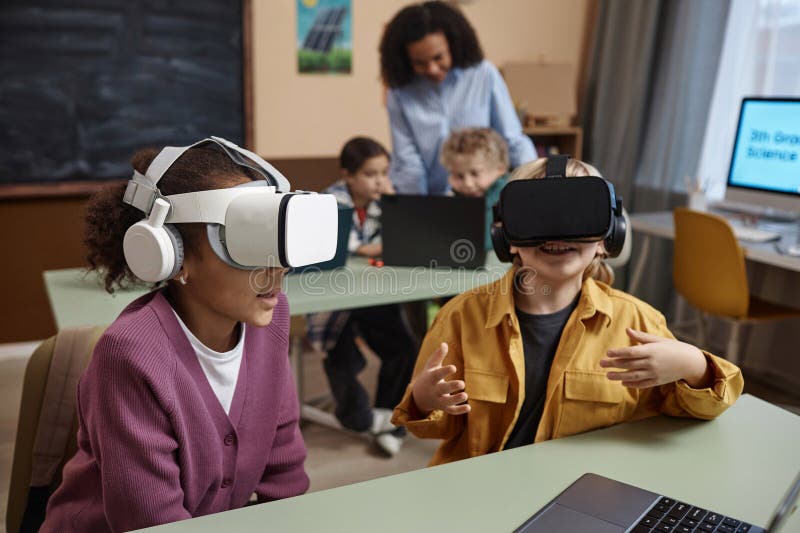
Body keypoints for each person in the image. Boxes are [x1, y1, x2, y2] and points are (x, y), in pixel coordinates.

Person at [392, 157, 744, 466]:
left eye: (576, 216)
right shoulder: (460, 318)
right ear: (507, 238)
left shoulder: (636, 324)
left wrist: (693, 366)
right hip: (481, 489)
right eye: (537, 217)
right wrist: (423, 400)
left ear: (608, 239)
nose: (557, 233)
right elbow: (436, 428)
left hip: (582, 493)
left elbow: (703, 408)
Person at [42, 142, 309, 531]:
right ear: (174, 255)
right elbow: (150, 521)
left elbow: (284, 477)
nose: (276, 266)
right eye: (245, 245)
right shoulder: (131, 355)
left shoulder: (271, 320)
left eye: (272, 240)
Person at [306, 137, 417, 456]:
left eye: (384, 173)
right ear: (347, 175)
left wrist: (396, 204)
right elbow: (351, 244)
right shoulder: (331, 201)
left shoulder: (382, 199)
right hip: (335, 301)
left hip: (371, 296)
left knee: (403, 349)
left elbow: (404, 238)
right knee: (343, 359)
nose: (380, 181)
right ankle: (363, 419)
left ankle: (390, 420)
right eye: (371, 174)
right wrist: (372, 247)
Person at [379, 0, 536, 196]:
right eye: (420, 63)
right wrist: (416, 211)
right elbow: (408, 162)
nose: (432, 69)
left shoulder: (483, 74)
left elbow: (511, 140)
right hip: (432, 200)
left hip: (483, 198)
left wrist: (535, 189)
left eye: (438, 57)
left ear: (453, 45)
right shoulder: (400, 92)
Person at [441, 127, 510, 250]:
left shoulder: (508, 196)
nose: (468, 184)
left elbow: (486, 243)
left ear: (500, 168)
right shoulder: (454, 197)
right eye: (459, 176)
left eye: (475, 173)